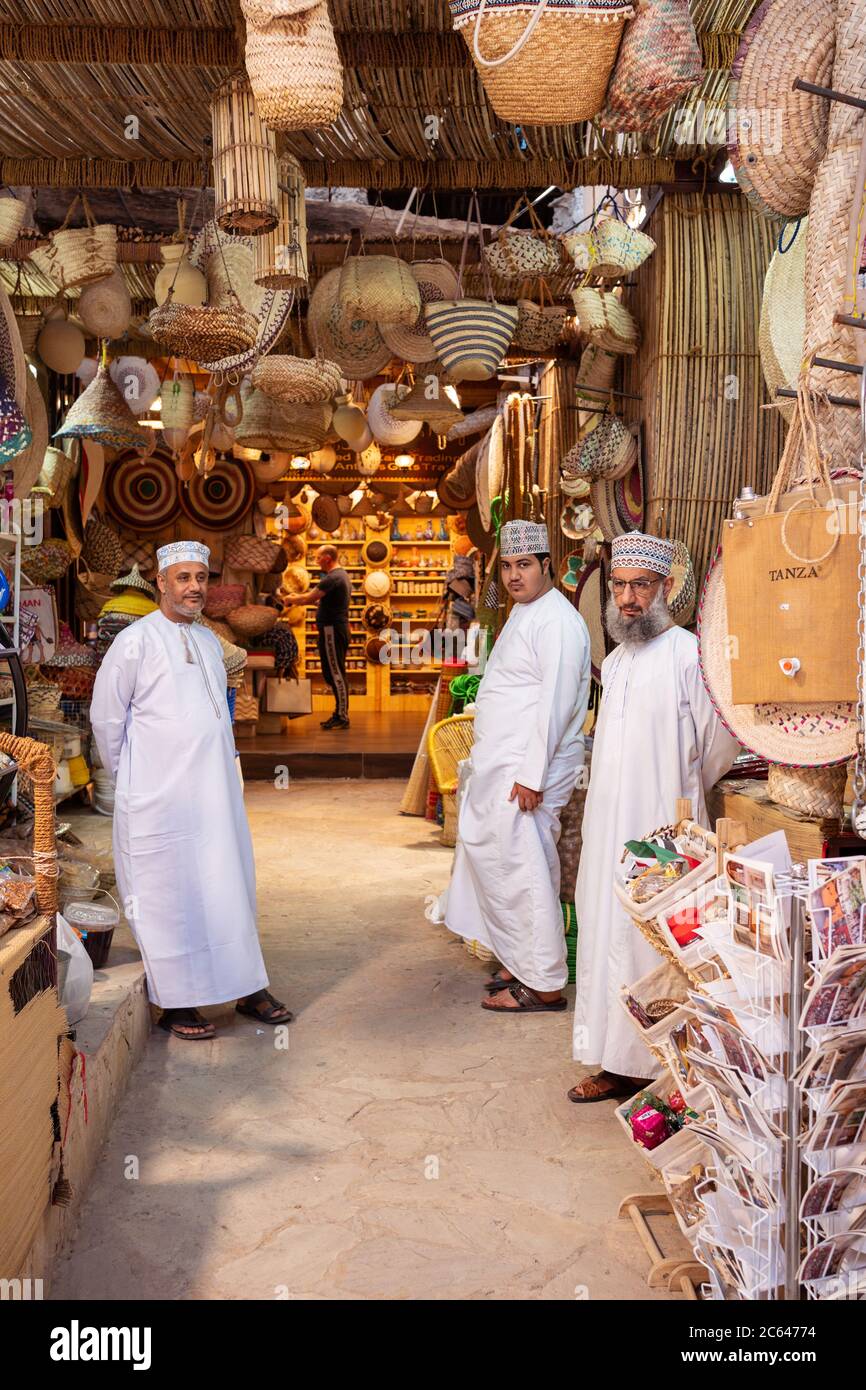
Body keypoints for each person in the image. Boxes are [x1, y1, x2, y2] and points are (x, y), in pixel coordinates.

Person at [90, 541, 292, 1041]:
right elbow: (106, 718)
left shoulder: (207, 643)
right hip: (158, 797)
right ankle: (178, 1002)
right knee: (169, 894)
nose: (194, 587)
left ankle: (246, 985)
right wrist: (132, 779)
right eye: (183, 578)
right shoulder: (134, 642)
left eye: (201, 578)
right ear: (161, 582)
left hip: (215, 794)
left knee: (228, 884)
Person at [569, 532, 739, 1101]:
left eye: (640, 586)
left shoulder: (689, 654)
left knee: (653, 942)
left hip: (665, 826)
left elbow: (719, 745)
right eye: (619, 586)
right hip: (608, 827)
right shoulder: (614, 662)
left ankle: (657, 1066)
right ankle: (611, 1060)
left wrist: (679, 789)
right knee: (602, 929)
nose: (627, 599)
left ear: (665, 588)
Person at [445, 519, 591, 1013]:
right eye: (506, 566)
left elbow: (554, 703)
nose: (513, 575)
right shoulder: (525, 613)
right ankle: (518, 960)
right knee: (505, 866)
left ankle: (545, 983)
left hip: (529, 773)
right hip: (505, 766)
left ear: (546, 566)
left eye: (524, 565)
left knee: (526, 872)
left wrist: (530, 776)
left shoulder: (557, 621)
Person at [289, 544, 352, 730]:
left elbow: (308, 599)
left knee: (336, 672)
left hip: (332, 629)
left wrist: (291, 599)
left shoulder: (332, 578)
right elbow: (317, 598)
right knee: (332, 671)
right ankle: (340, 713)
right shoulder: (340, 576)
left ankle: (342, 716)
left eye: (318, 557)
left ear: (327, 558)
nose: (316, 561)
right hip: (332, 629)